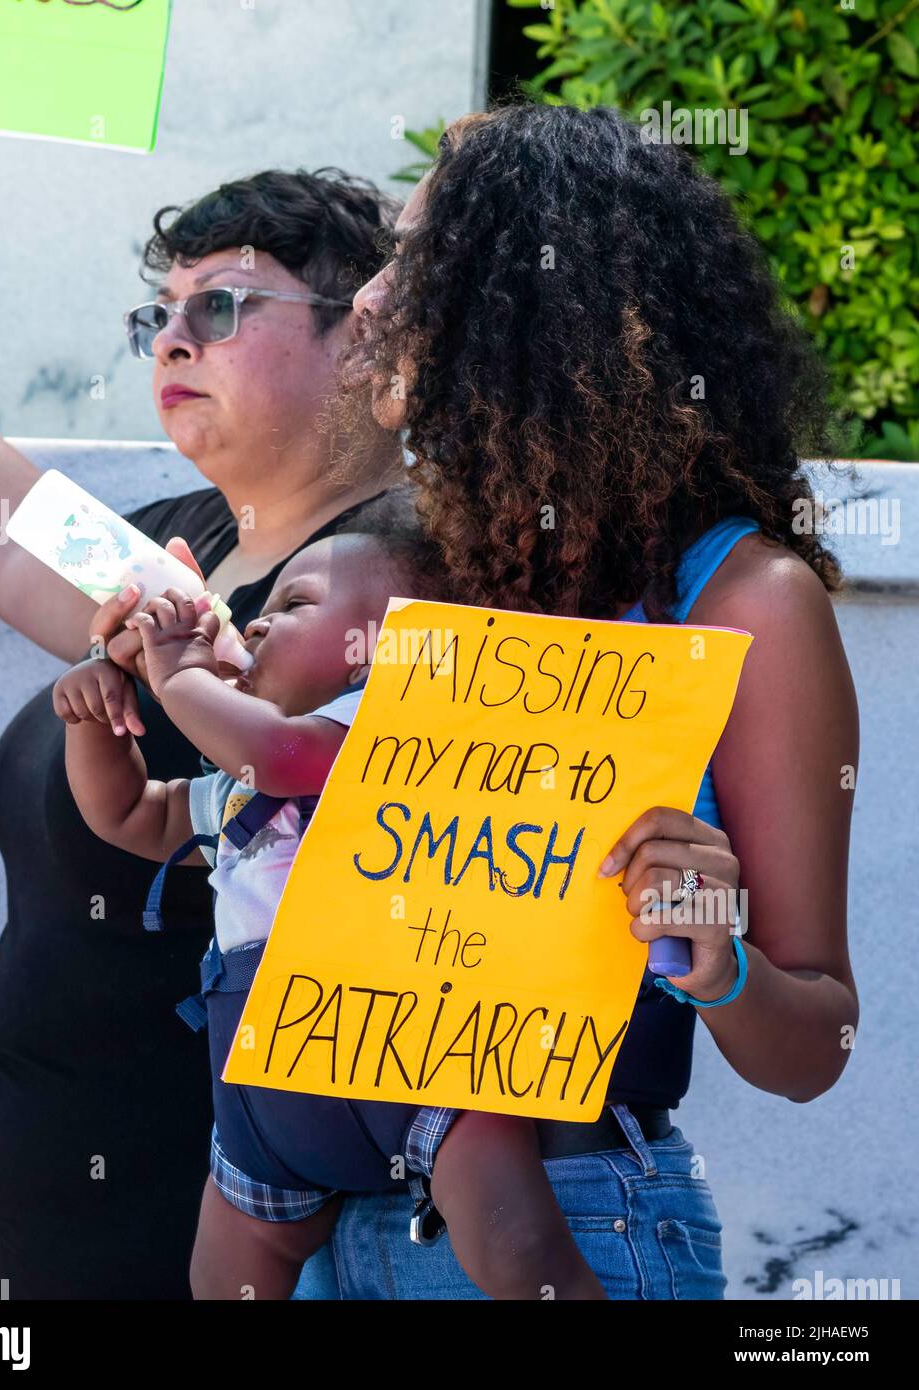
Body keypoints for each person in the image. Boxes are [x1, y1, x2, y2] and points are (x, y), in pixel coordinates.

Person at [287, 103, 860, 1300]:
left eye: (413, 257)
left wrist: (717, 958)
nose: (376, 297)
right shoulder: (432, 567)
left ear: (522, 302)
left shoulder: (745, 602)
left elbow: (816, 1041)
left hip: (574, 1210)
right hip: (337, 1207)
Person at [0, 168, 411, 1298]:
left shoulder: (397, 572)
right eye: (155, 318)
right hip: (66, 1216)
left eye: (219, 308)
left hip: (234, 1210)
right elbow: (14, 534)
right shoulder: (187, 545)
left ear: (365, 342)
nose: (171, 340)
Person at [51, 514, 609, 1301]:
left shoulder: (387, 726)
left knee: (522, 1253)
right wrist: (99, 724)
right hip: (267, 1110)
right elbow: (130, 817)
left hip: (425, 1076)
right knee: (219, 1278)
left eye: (298, 602)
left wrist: (178, 675)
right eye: (262, 608)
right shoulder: (242, 794)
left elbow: (281, 753)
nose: (257, 620)